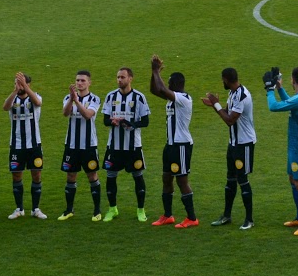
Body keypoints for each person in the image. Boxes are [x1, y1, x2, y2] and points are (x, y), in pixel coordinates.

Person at [147, 56, 197, 229]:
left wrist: (156, 71)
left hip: (181, 145)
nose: (166, 85)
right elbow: (155, 90)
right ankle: (168, 215)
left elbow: (161, 88)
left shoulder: (184, 99)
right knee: (166, 178)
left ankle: (192, 218)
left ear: (176, 84)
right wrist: (154, 74)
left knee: (182, 180)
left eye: (169, 83)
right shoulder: (171, 99)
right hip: (170, 145)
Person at [203, 67, 256, 230]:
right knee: (230, 180)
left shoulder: (241, 95)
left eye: (222, 80)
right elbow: (227, 112)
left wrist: (216, 104)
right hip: (233, 144)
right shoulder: (233, 93)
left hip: (244, 144)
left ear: (226, 79)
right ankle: (226, 215)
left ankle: (249, 219)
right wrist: (215, 105)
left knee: (243, 180)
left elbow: (230, 120)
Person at [265, 65, 298, 235]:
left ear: (293, 80)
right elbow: (291, 103)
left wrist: (269, 89)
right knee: (293, 178)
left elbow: (274, 107)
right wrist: (279, 87)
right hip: (297, 143)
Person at [100, 67, 150, 222]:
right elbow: (105, 120)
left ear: (130, 78)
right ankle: (112, 209)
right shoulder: (110, 96)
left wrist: (132, 124)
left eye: (122, 77)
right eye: (118, 77)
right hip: (114, 146)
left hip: (133, 146)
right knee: (111, 176)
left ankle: (141, 210)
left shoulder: (139, 97)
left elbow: (145, 121)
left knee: (138, 176)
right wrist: (112, 121)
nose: (119, 80)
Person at [58, 70, 102, 221]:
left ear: (89, 82)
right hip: (71, 145)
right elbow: (65, 113)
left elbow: (88, 115)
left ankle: (97, 210)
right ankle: (69, 210)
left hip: (89, 145)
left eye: (83, 80)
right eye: (77, 80)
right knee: (70, 176)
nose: (79, 83)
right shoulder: (67, 98)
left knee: (92, 175)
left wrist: (76, 101)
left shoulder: (95, 99)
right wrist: (71, 99)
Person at [4, 71, 47, 220]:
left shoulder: (35, 97)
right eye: (17, 83)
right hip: (16, 145)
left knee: (36, 174)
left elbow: (38, 103)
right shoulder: (13, 98)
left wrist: (25, 87)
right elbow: (5, 107)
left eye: (22, 83)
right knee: (17, 175)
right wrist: (15, 90)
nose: (19, 86)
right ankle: (19, 209)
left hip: (34, 145)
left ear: (28, 85)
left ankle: (35, 209)